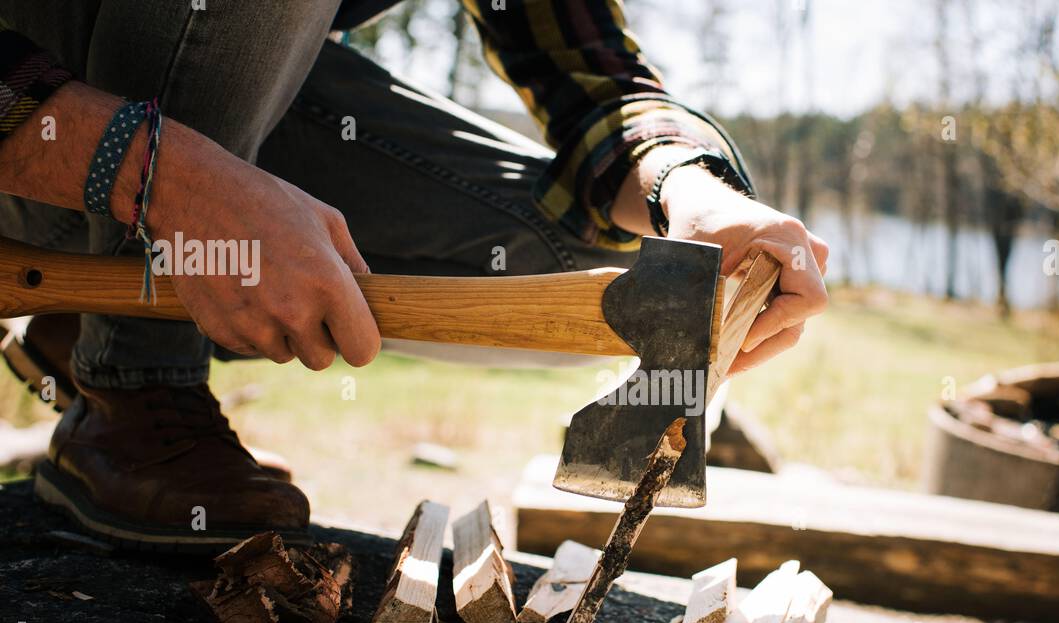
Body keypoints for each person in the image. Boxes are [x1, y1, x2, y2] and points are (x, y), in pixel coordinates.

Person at [0, 1, 828, 550]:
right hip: (37, 122)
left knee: (584, 265)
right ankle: (132, 380)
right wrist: (169, 181)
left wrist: (685, 186)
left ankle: (88, 306)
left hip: (225, 100)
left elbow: (588, 68)